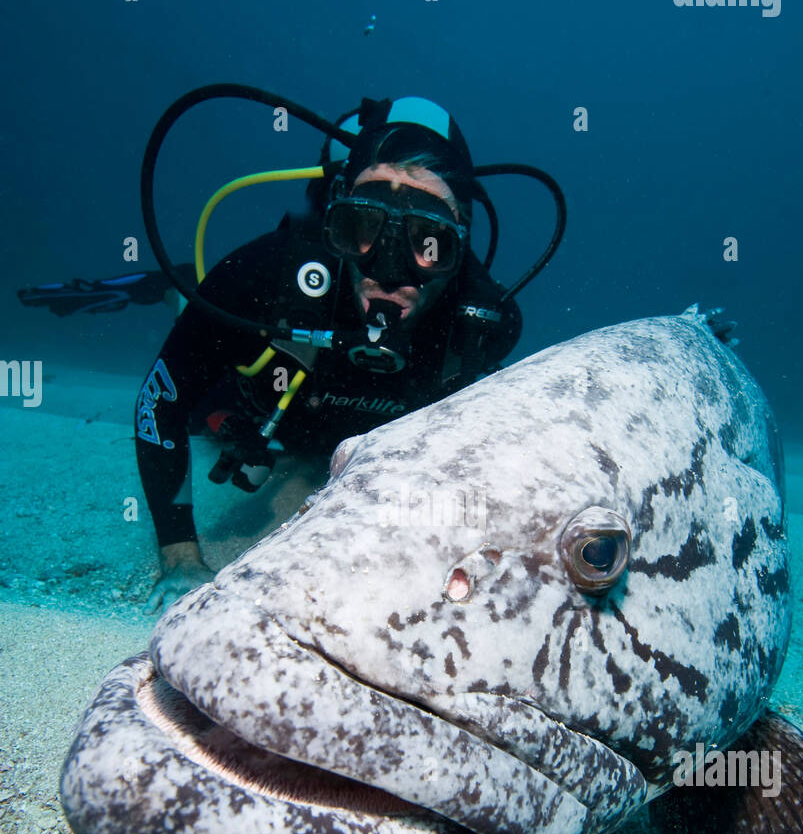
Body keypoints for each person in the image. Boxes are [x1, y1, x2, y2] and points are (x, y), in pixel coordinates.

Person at [134, 97, 524, 611]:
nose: (389, 270)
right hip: (264, 409)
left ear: (460, 245)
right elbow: (160, 402)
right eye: (363, 227)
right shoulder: (261, 276)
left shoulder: (482, 326)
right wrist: (181, 557)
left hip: (327, 431)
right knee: (205, 360)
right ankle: (166, 286)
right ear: (333, 218)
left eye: (428, 242)